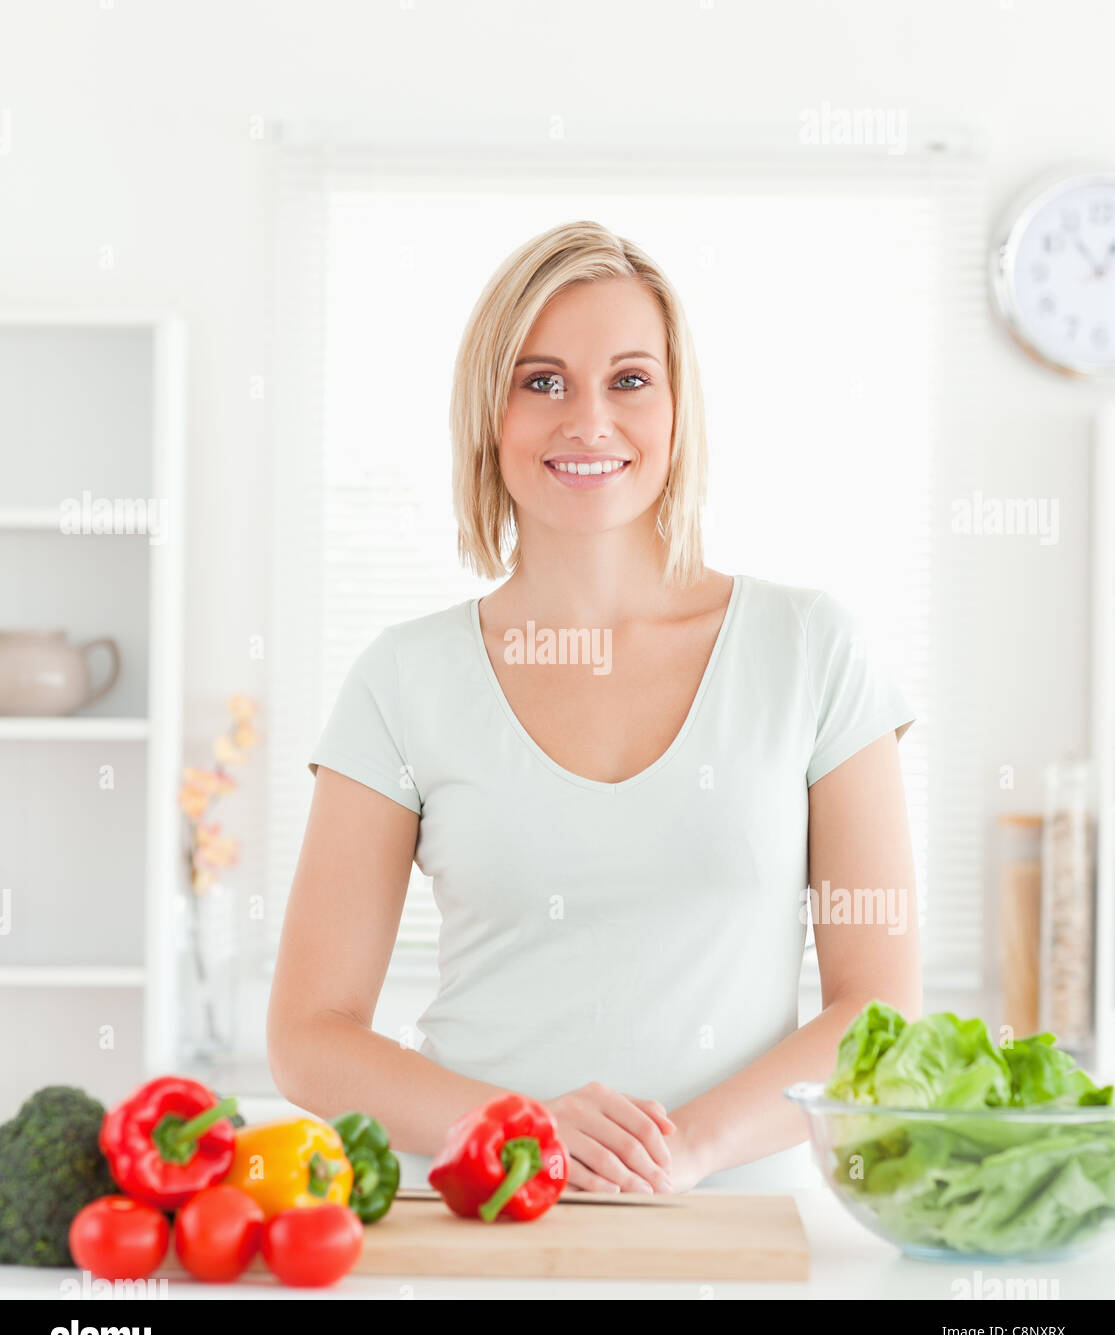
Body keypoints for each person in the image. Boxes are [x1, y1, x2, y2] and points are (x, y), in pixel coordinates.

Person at [268, 219, 921, 1194]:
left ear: (676, 410)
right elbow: (308, 1036)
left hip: (731, 1228)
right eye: (541, 381)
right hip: (476, 1216)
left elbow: (876, 1013)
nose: (587, 420)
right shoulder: (401, 679)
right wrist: (512, 1128)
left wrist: (681, 1149)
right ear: (489, 415)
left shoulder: (811, 651)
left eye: (627, 379)